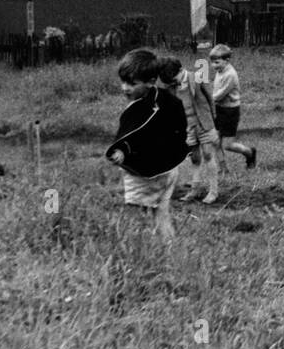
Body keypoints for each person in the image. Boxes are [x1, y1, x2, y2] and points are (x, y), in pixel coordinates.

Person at [105, 48, 189, 245]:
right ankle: (168, 248)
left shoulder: (146, 110)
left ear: (151, 81)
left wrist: (121, 152)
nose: (125, 88)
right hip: (167, 169)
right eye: (123, 82)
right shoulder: (162, 100)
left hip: (151, 174)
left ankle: (143, 252)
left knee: (138, 215)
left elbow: (140, 136)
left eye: (132, 83)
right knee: (160, 211)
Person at [157, 55, 220, 204]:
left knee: (208, 155)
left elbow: (211, 100)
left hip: (204, 124)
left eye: (174, 78)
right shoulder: (170, 86)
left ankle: (213, 191)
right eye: (170, 81)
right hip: (187, 127)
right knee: (194, 158)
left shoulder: (198, 78)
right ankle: (195, 189)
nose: (174, 82)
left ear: (180, 70)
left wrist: (215, 125)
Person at [209, 45, 257, 170]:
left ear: (227, 60)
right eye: (212, 63)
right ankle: (223, 169)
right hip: (220, 109)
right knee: (215, 140)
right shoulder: (220, 71)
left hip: (230, 111)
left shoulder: (230, 75)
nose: (214, 66)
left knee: (227, 144)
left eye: (217, 62)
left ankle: (250, 152)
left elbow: (219, 95)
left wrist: (205, 99)